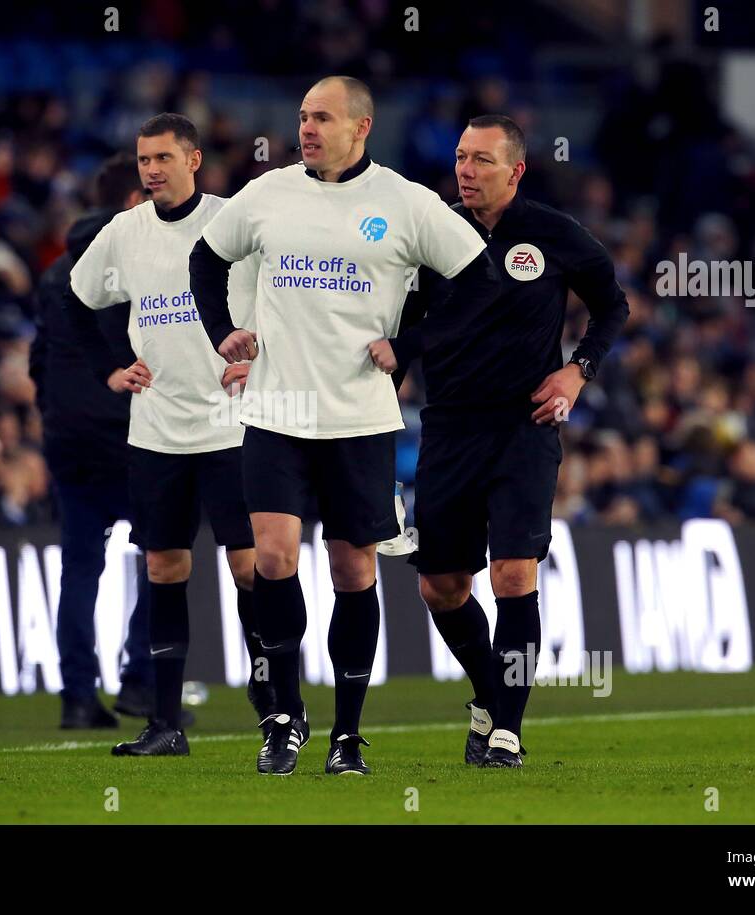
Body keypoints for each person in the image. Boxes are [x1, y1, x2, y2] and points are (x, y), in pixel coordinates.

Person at [190, 77, 497, 775]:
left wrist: (410, 344)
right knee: (272, 558)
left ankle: (347, 735)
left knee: (352, 567)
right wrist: (222, 333)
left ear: (361, 127)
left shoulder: (406, 202)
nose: (306, 128)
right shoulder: (267, 194)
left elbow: (479, 280)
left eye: (321, 117)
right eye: (301, 117)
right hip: (276, 410)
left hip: (359, 417)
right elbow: (206, 258)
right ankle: (281, 717)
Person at [401, 115, 629, 767]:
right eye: (460, 158)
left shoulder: (554, 234)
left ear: (515, 170)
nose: (466, 171)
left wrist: (578, 369)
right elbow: (401, 320)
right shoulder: (433, 234)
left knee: (511, 572)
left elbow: (612, 304)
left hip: (525, 426)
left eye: (481, 160)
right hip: (447, 425)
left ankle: (507, 731)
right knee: (441, 586)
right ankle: (488, 695)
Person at [67, 113, 267, 757]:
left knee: (251, 567)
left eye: (162, 158)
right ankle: (165, 722)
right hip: (155, 430)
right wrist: (111, 367)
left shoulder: (233, 220)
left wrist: (257, 350)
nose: (150, 169)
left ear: (193, 161)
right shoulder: (123, 232)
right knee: (163, 565)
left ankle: (272, 705)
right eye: (143, 159)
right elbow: (79, 298)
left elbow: (283, 293)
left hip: (231, 426)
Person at [29, 153, 158, 729]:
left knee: (80, 567)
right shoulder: (135, 260)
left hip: (68, 438)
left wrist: (51, 416)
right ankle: (140, 682)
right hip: (132, 436)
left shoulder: (58, 269)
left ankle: (77, 698)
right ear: (132, 201)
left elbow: (39, 359)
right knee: (165, 556)